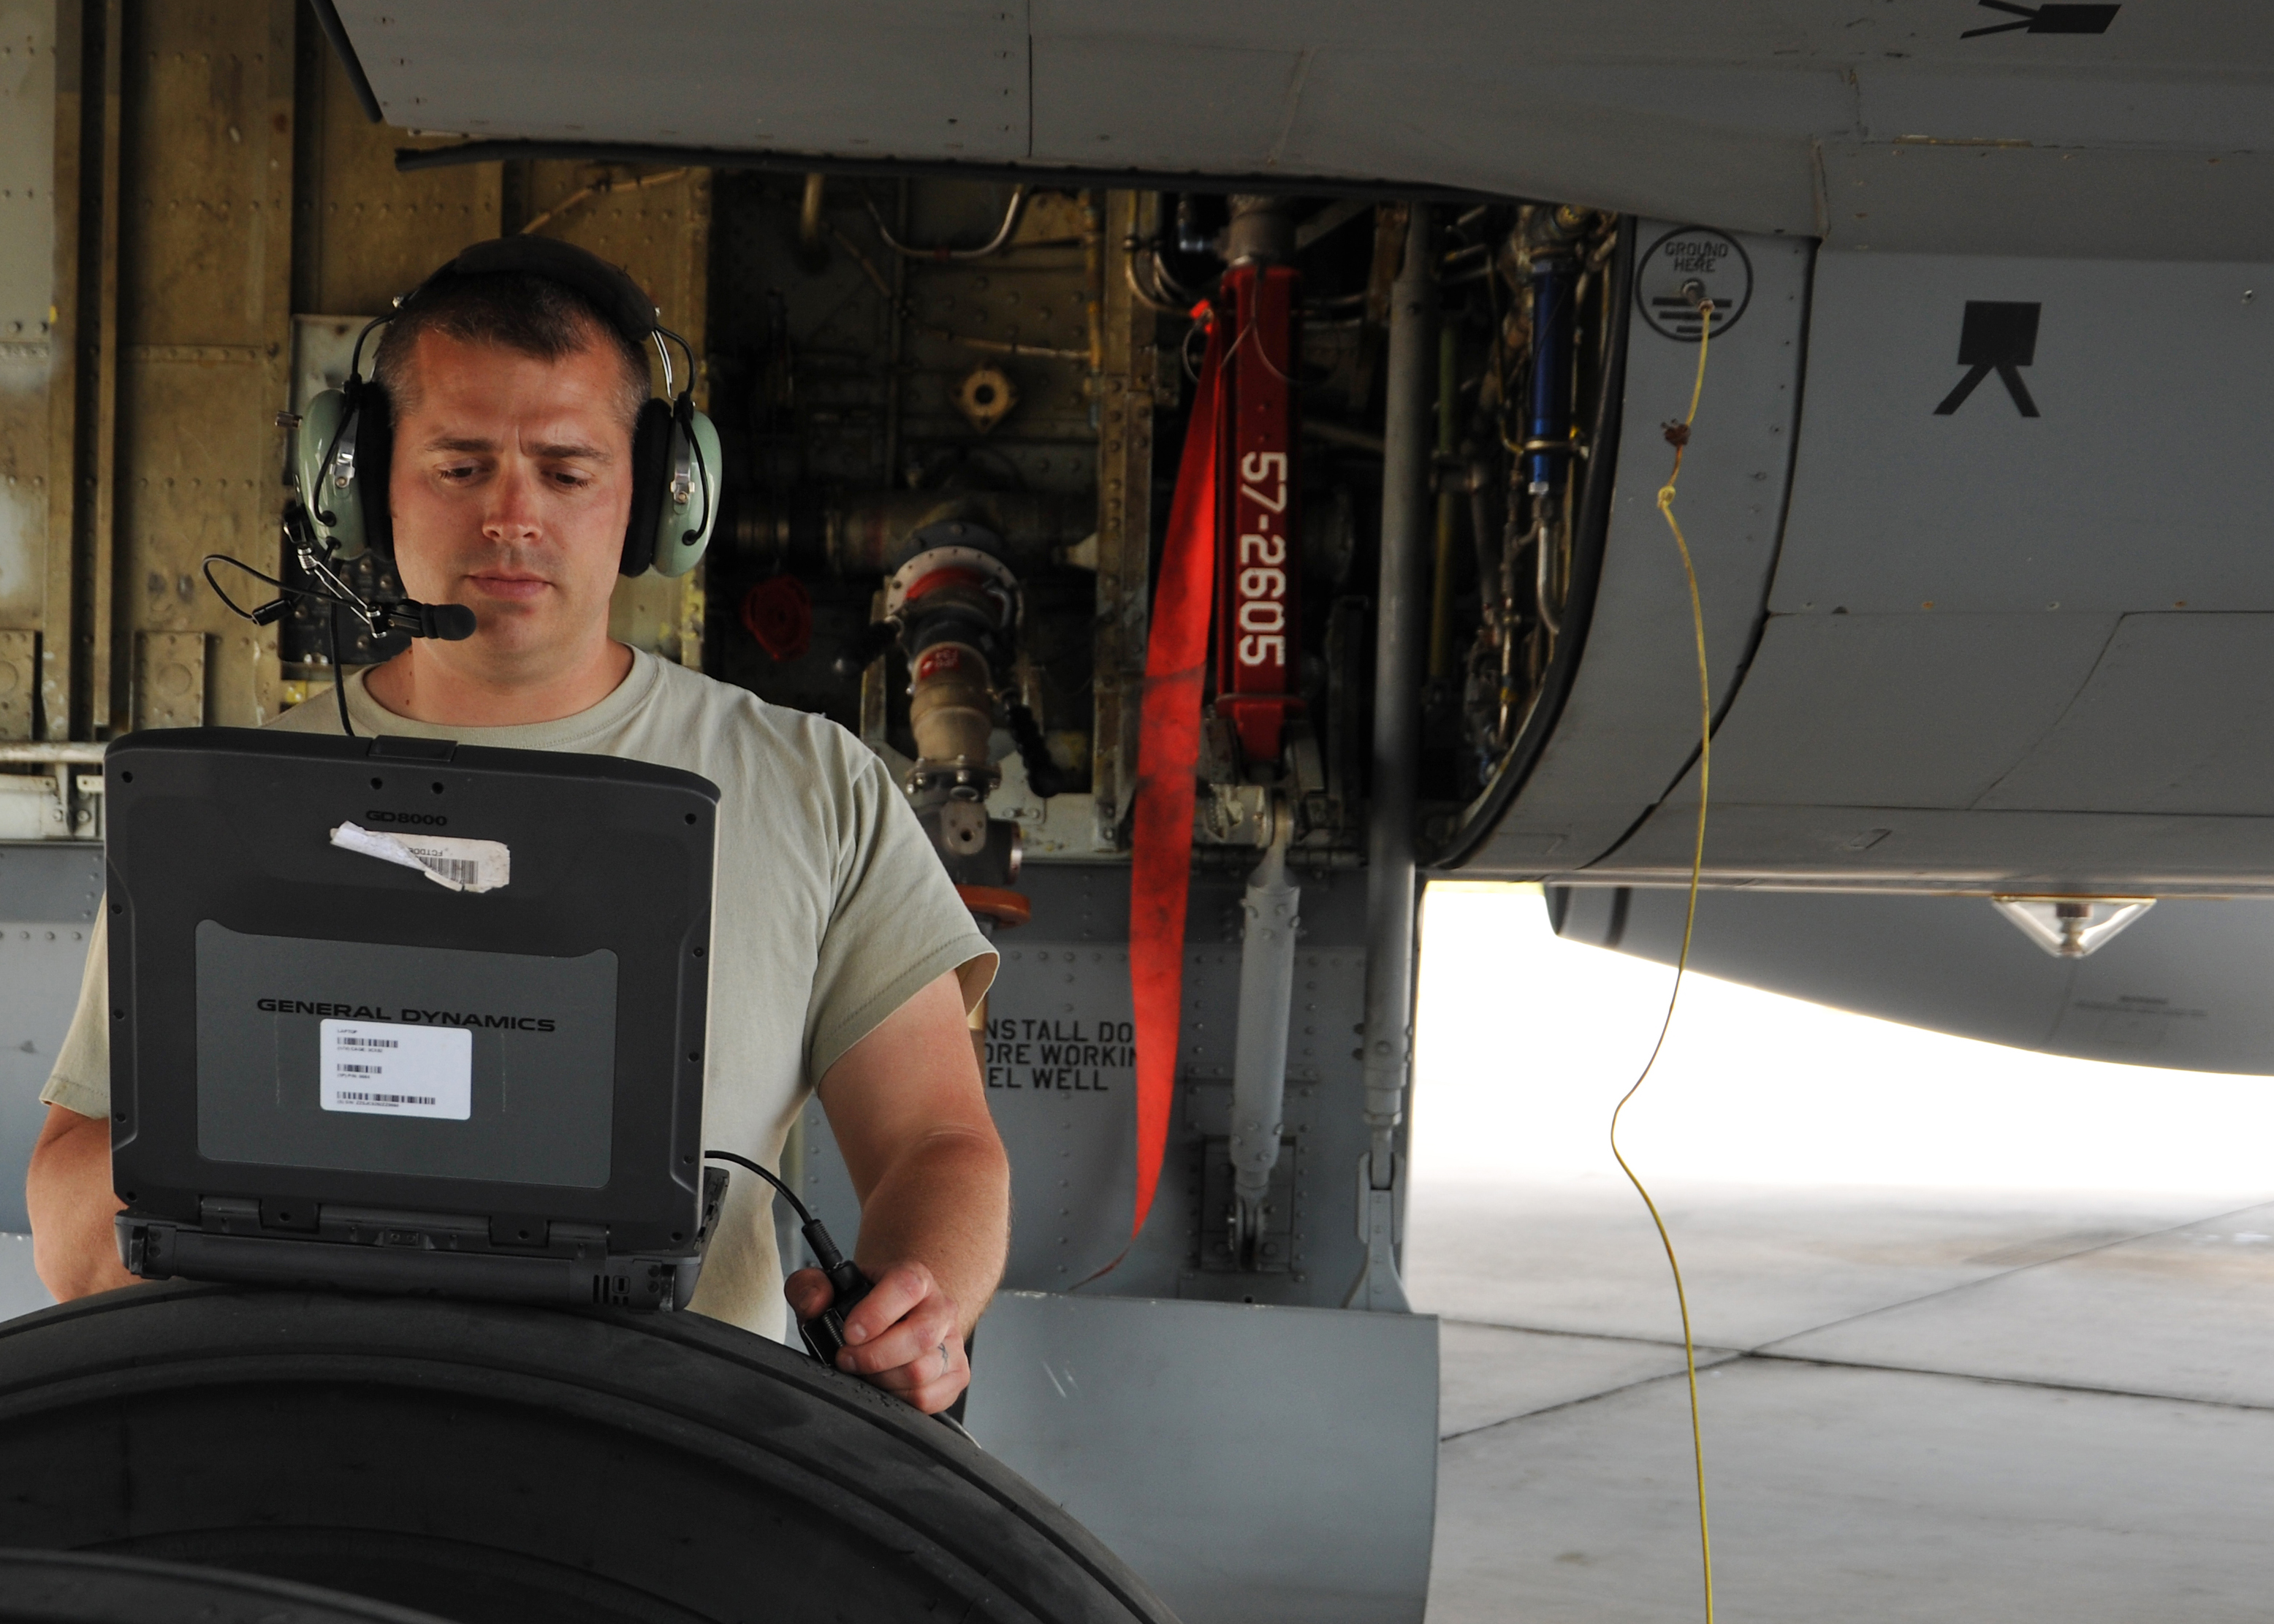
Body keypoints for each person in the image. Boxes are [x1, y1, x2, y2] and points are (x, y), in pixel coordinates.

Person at [23, 244, 1009, 1415]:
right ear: (359, 483)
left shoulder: (812, 788)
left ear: (654, 495)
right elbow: (79, 1244)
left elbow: (938, 1145)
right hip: (296, 1464)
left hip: (662, 1482)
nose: (512, 516)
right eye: (460, 464)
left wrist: (922, 1304)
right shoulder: (227, 805)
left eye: (567, 469)